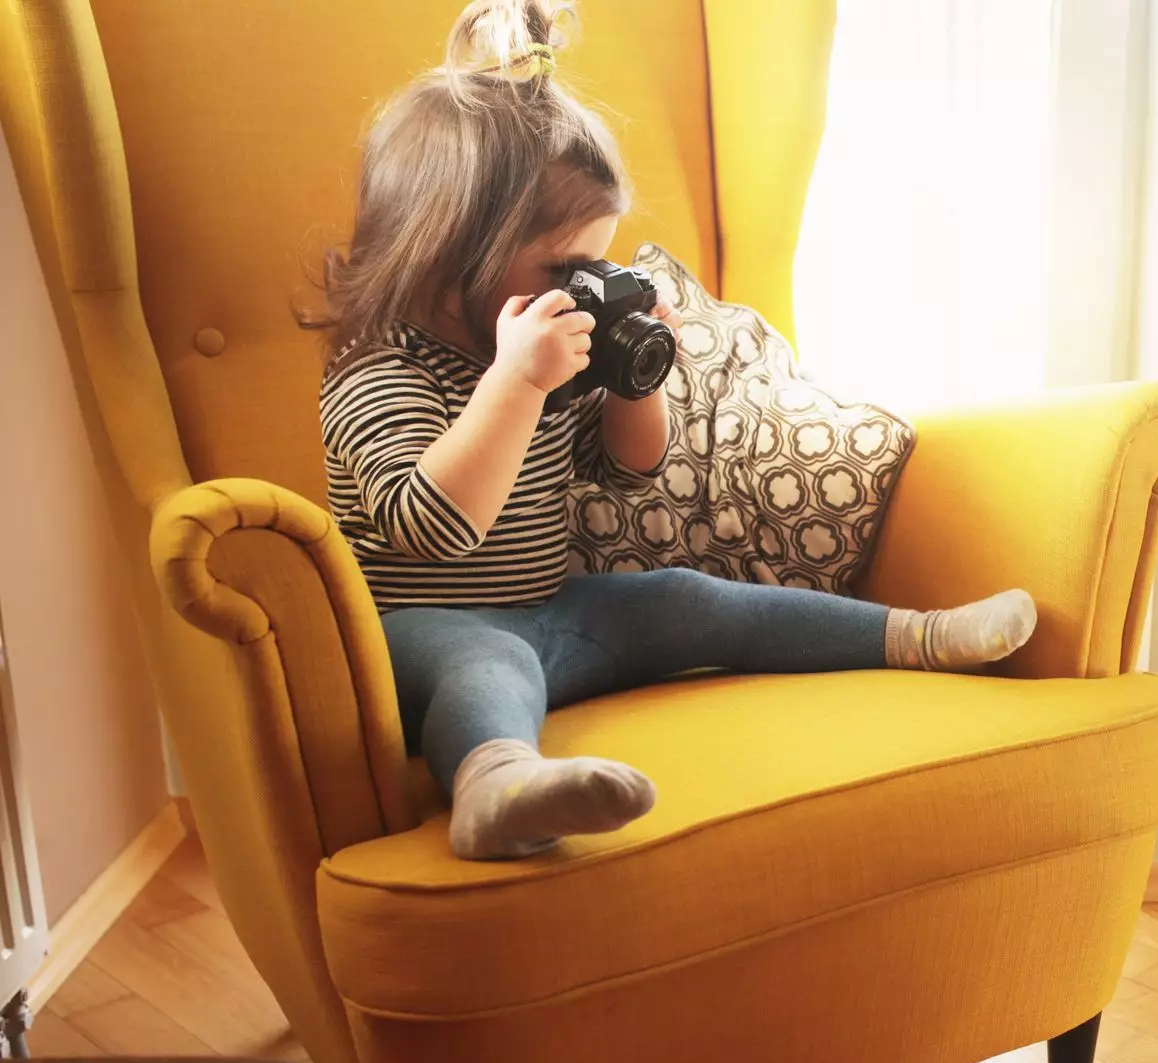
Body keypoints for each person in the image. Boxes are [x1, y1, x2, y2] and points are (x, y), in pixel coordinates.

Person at [312, 0, 1034, 860]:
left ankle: (920, 637)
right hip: (417, 634)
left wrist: (634, 376)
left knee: (685, 598)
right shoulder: (382, 370)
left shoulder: (543, 349)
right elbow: (433, 526)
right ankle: (495, 784)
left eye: (600, 266)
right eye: (568, 269)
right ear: (449, 249)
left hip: (552, 611)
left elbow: (628, 472)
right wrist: (514, 381)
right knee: (487, 665)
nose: (585, 289)